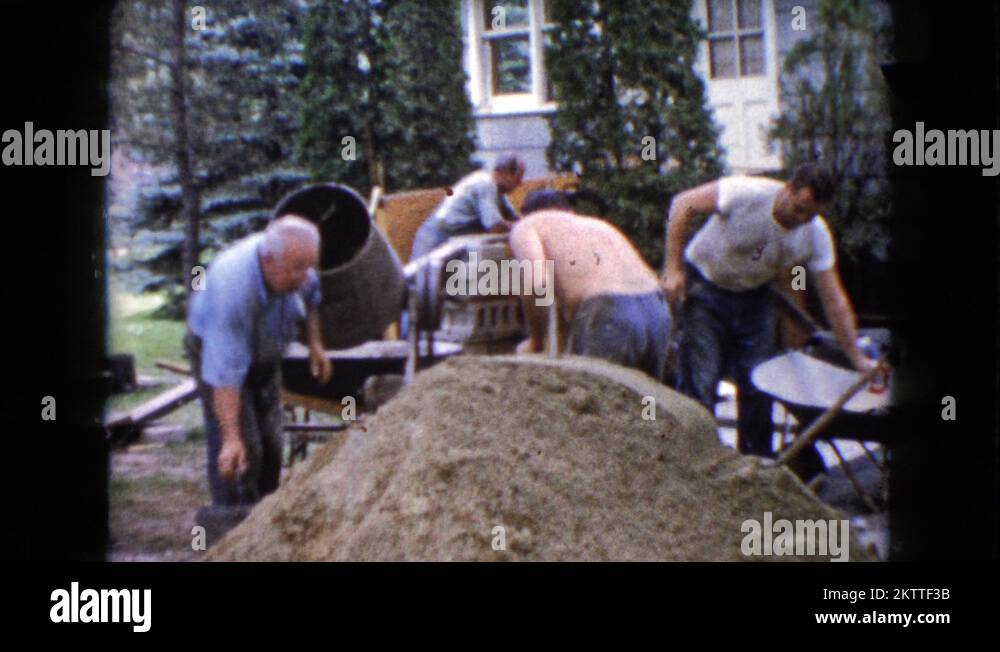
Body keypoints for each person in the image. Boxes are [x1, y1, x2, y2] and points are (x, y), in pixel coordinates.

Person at [660, 164, 873, 458]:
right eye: (798, 209)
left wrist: (857, 358)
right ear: (788, 189)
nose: (801, 220)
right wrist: (673, 269)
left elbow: (833, 298)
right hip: (706, 286)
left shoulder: (815, 234)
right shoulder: (745, 192)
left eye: (809, 215)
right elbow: (682, 204)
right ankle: (695, 462)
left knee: (759, 381)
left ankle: (755, 464)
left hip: (755, 295)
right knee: (702, 380)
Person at [185, 215, 333, 507]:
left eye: (308, 269)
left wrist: (315, 343)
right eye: (295, 272)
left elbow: (312, 296)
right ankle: (231, 526)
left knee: (273, 447)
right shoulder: (233, 291)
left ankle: (267, 519)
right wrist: (231, 437)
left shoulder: (296, 263)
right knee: (243, 452)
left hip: (266, 353)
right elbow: (226, 375)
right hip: (219, 357)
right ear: (268, 260)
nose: (304, 278)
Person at [509, 208, 671, 382]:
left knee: (593, 401)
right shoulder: (594, 225)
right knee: (647, 404)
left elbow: (537, 284)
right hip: (656, 308)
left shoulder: (525, 227)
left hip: (610, 313)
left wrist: (536, 342)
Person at [410, 155, 525, 261]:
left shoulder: (498, 191)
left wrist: (525, 223)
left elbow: (513, 218)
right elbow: (494, 226)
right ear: (504, 173)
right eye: (518, 177)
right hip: (436, 239)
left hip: (451, 240)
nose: (520, 183)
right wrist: (522, 228)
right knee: (419, 281)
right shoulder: (485, 183)